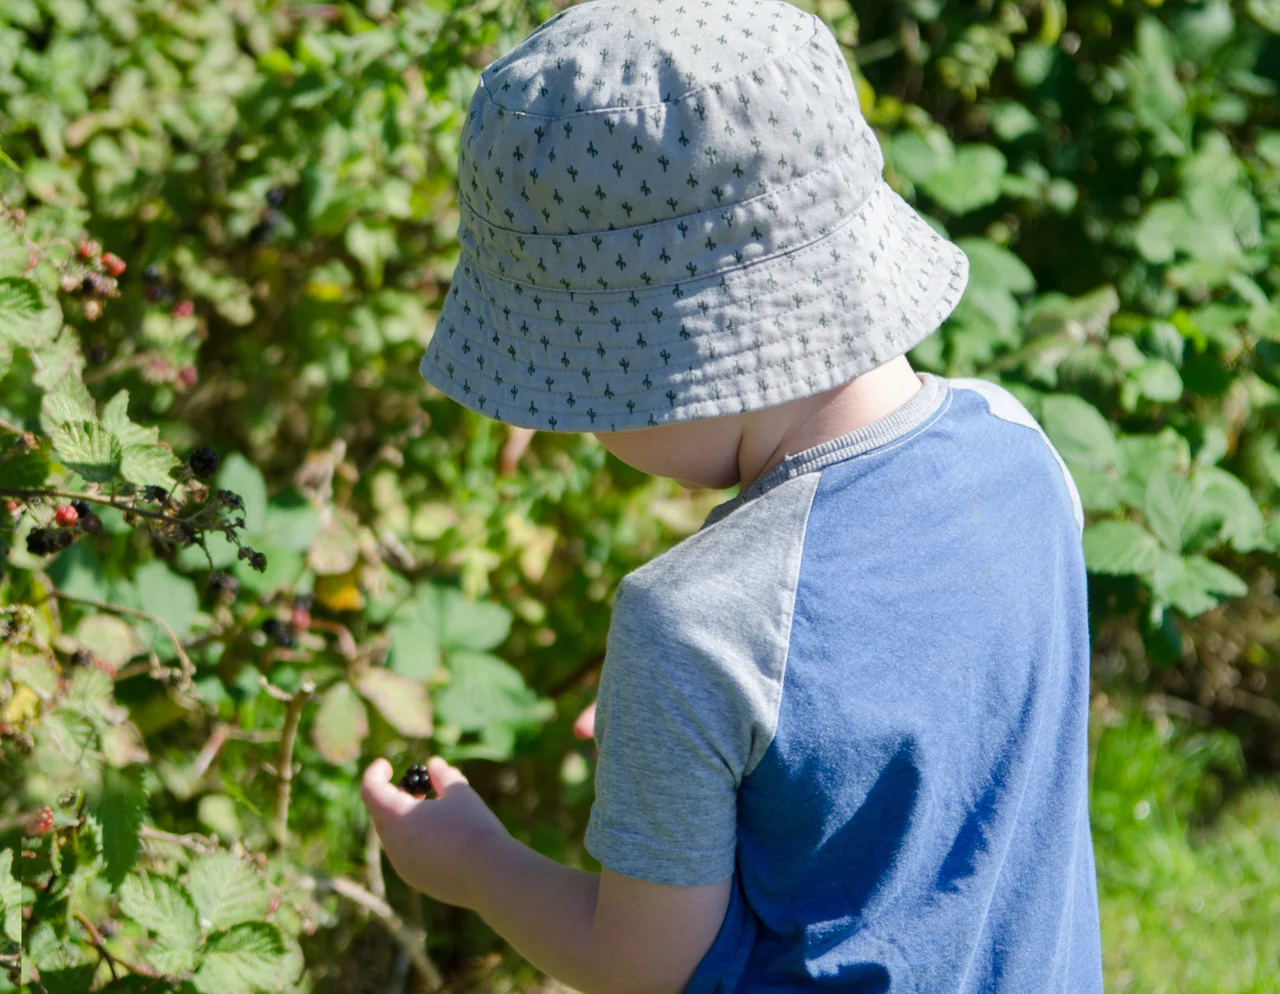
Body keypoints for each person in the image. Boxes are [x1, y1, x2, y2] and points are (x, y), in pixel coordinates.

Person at [360, 1, 1103, 991]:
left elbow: (638, 962)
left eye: (578, 390)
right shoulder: (1022, 448)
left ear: (672, 355)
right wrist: (710, 727)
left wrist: (473, 862)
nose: (576, 425)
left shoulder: (692, 623)